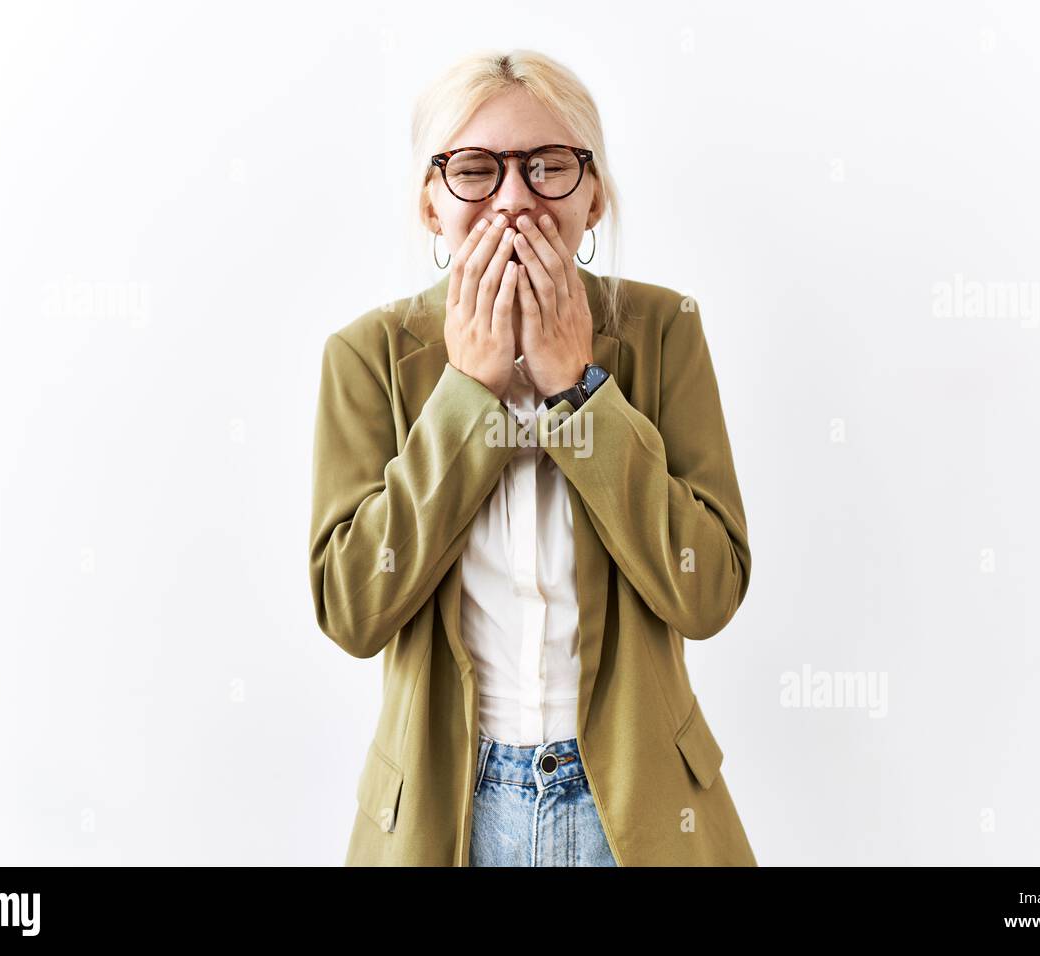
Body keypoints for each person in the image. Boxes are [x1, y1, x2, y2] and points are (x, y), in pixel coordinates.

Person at [309, 49, 757, 866]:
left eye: (549, 166)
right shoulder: (366, 355)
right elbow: (352, 608)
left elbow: (709, 592)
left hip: (638, 808)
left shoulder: (665, 332)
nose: (514, 199)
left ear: (594, 198)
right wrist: (466, 395)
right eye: (475, 169)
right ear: (429, 204)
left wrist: (579, 392)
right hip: (449, 812)